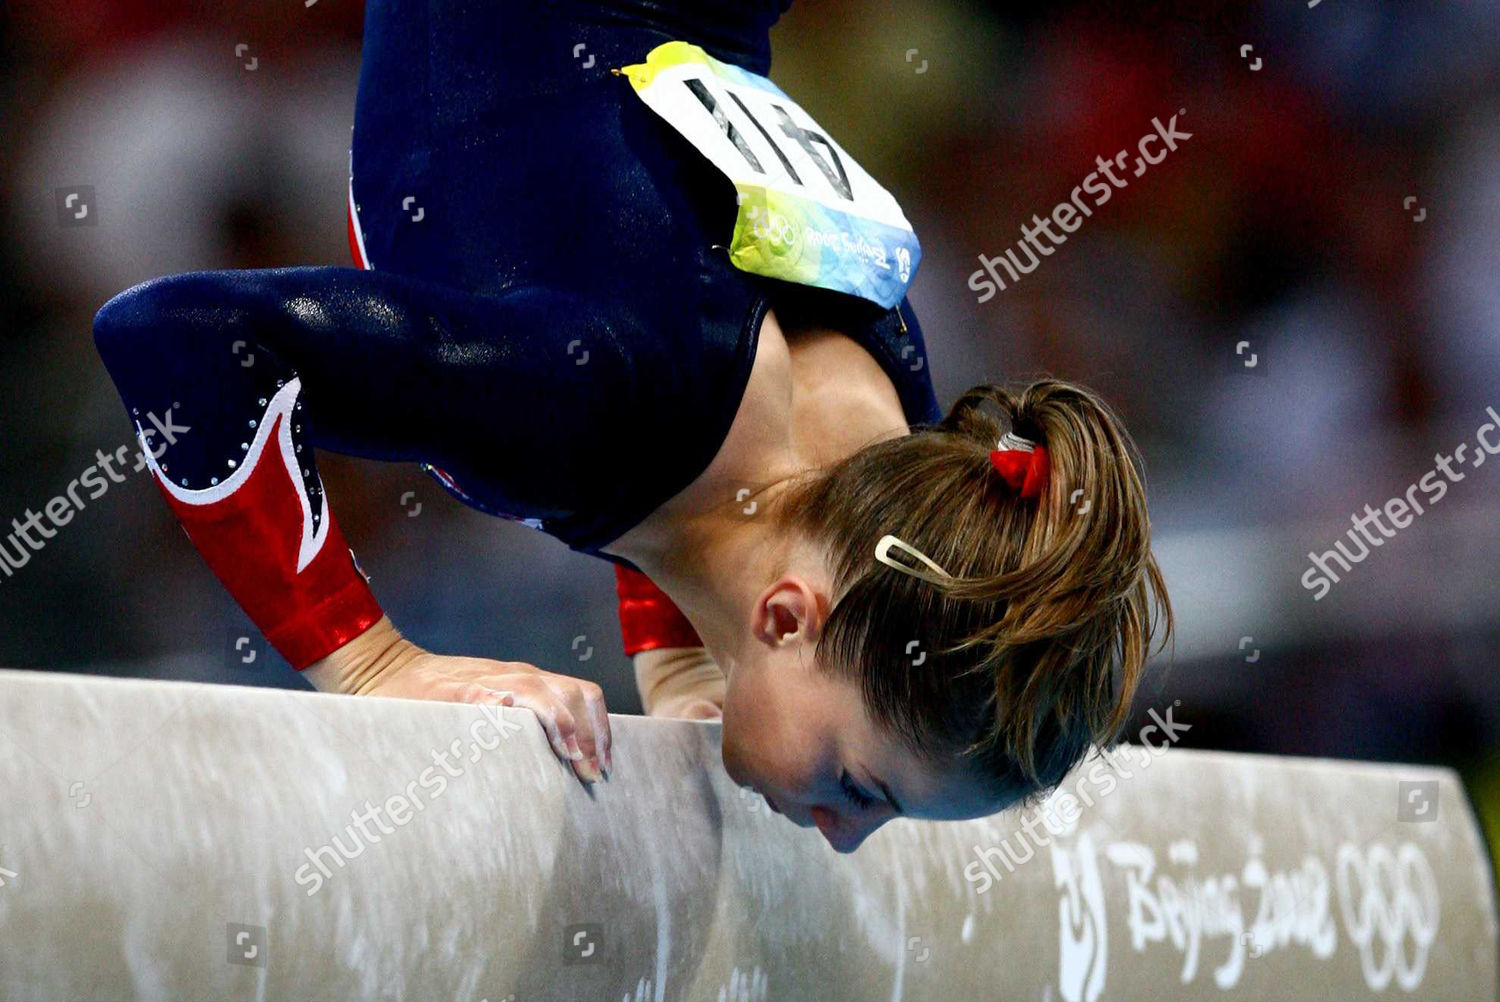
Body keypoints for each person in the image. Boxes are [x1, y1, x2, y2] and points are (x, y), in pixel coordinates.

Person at [92, 0, 1171, 853]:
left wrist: (688, 665)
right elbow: (182, 339)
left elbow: (699, 448)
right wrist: (372, 664)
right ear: (786, 616)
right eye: (860, 788)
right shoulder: (587, 407)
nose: (843, 840)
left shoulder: (898, 456)